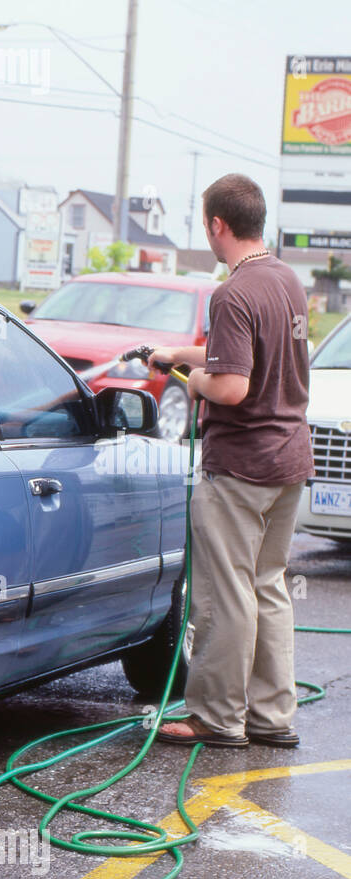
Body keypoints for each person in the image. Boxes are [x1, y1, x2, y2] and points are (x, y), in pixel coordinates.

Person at [153, 173, 313, 749]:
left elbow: (232, 385)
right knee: (268, 585)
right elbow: (247, 348)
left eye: (204, 224)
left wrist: (194, 378)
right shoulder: (286, 281)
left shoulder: (232, 292)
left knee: (224, 592)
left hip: (242, 465)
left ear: (218, 225)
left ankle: (217, 718)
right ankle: (272, 717)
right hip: (288, 462)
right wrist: (177, 352)